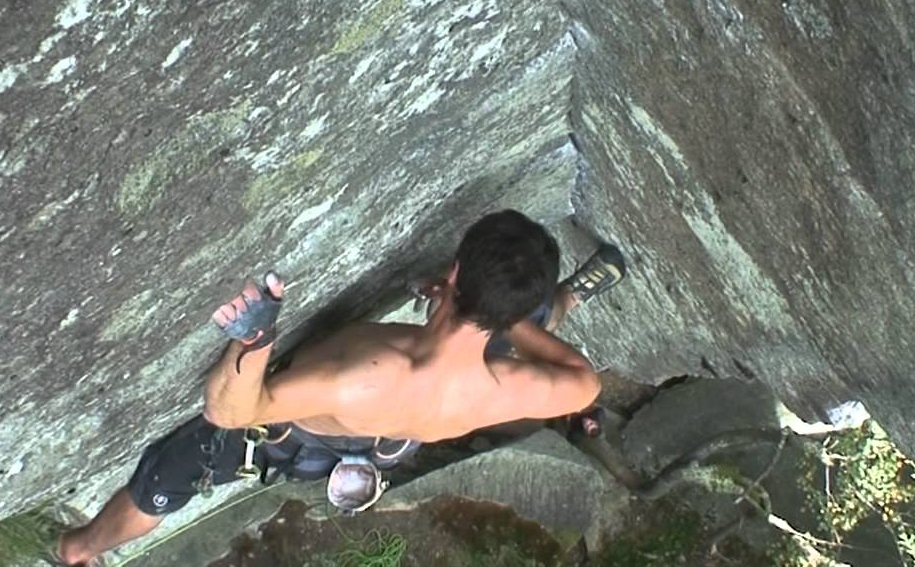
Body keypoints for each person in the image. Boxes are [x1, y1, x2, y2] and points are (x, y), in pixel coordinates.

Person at [51, 209, 626, 566]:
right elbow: (582, 381)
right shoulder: (510, 388)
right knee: (535, 327)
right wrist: (510, 315)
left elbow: (231, 411)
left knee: (166, 476)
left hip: (296, 432)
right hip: (402, 429)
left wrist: (255, 341)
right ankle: (566, 296)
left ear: (452, 274)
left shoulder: (362, 376)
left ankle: (77, 552)